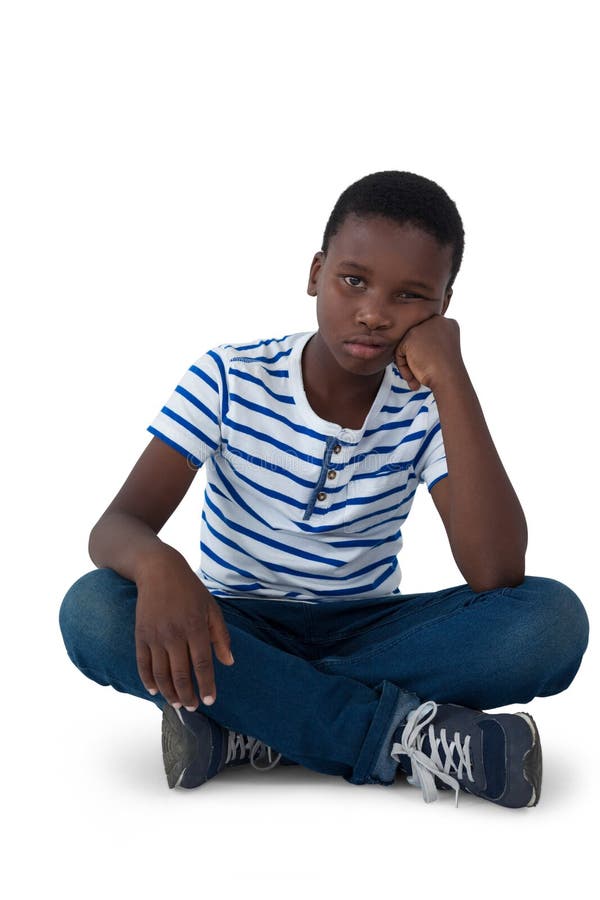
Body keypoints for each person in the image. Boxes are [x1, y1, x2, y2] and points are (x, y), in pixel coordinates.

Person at [58, 170, 589, 808]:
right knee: (92, 610)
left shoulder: (428, 407)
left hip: (370, 629)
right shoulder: (232, 377)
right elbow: (115, 526)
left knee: (549, 622)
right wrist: (158, 563)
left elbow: (497, 570)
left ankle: (256, 721)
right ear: (315, 273)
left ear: (443, 308)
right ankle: (396, 734)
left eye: (411, 295)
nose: (372, 311)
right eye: (353, 280)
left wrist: (453, 379)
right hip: (231, 626)